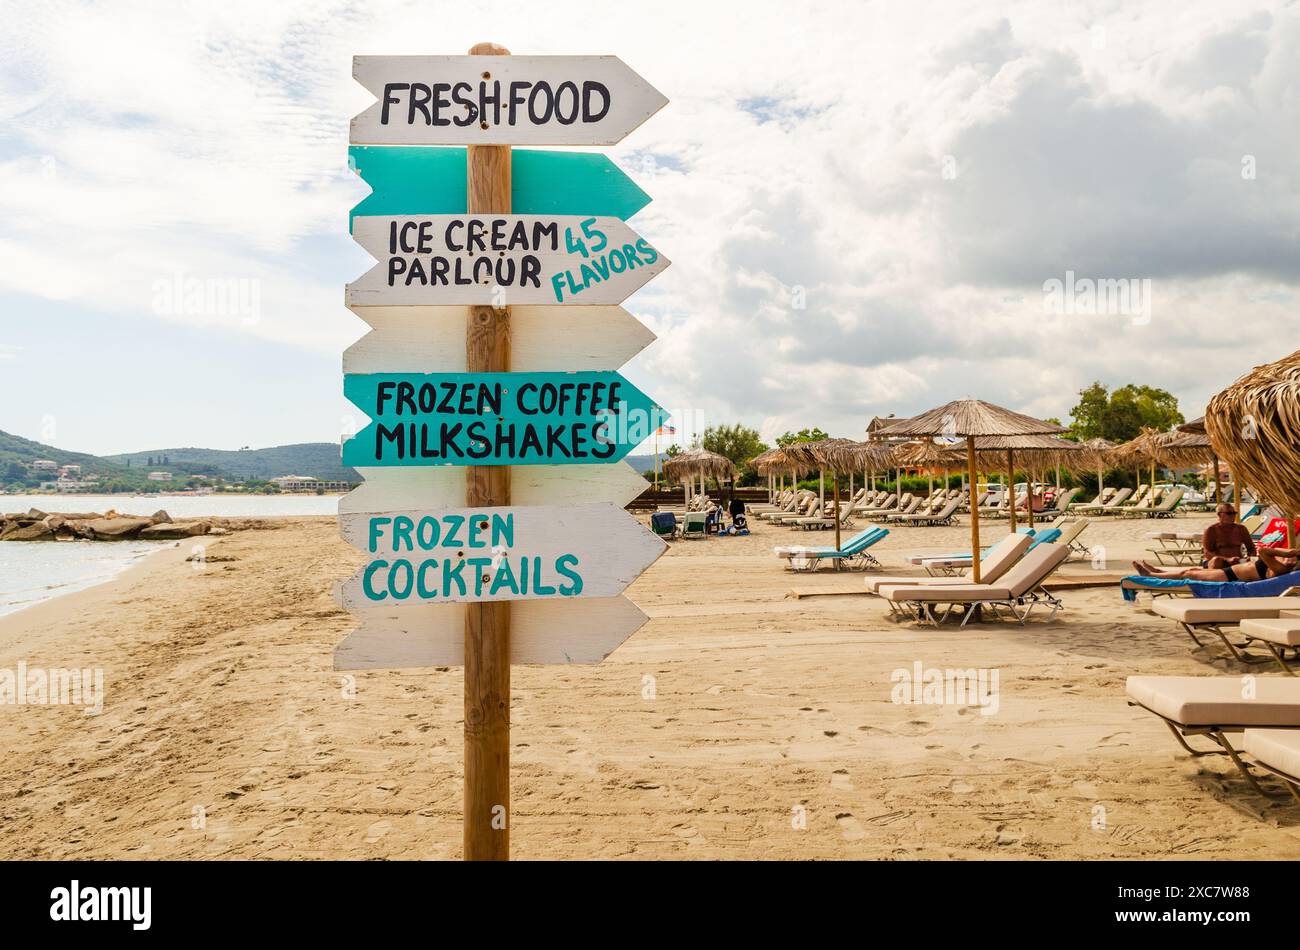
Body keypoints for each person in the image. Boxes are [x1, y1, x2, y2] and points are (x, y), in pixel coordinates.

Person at [1132, 544, 1298, 582]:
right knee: (1192, 569)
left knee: (1188, 574)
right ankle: (1159, 572)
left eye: (1292, 559)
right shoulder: (1281, 565)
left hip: (1231, 577)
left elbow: (1263, 552)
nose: (1288, 559)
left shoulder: (1281, 569)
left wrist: (1288, 552)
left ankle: (1151, 575)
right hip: (1231, 571)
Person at [1199, 503, 1256, 570]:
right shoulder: (1211, 530)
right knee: (1216, 561)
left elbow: (1251, 548)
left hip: (1237, 561)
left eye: (1234, 513)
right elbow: (1208, 553)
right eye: (1229, 513)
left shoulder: (1241, 529)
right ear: (1219, 515)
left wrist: (1250, 557)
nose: (1232, 515)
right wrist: (1227, 559)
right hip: (1217, 562)